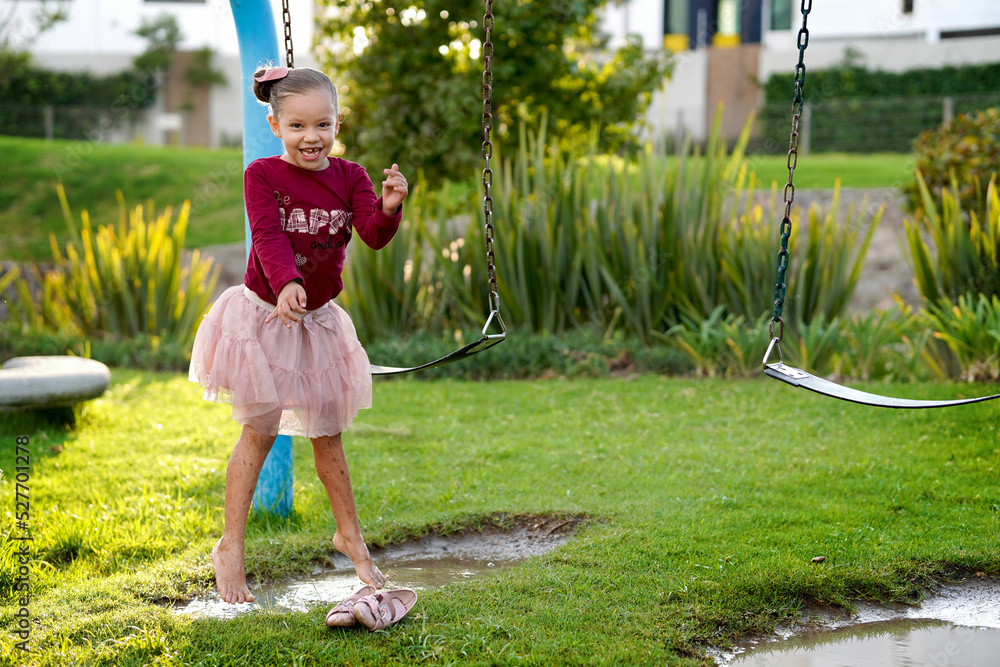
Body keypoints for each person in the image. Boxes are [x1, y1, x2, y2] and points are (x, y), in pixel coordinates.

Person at [188, 65, 408, 606]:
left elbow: (373, 236)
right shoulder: (262, 174)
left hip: (318, 322)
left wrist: (391, 207)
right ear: (275, 124)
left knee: (327, 435)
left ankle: (349, 536)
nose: (312, 138)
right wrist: (285, 282)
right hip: (265, 315)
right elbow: (266, 233)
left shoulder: (351, 175)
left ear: (337, 123)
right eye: (298, 126)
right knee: (259, 432)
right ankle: (230, 546)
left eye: (323, 125)